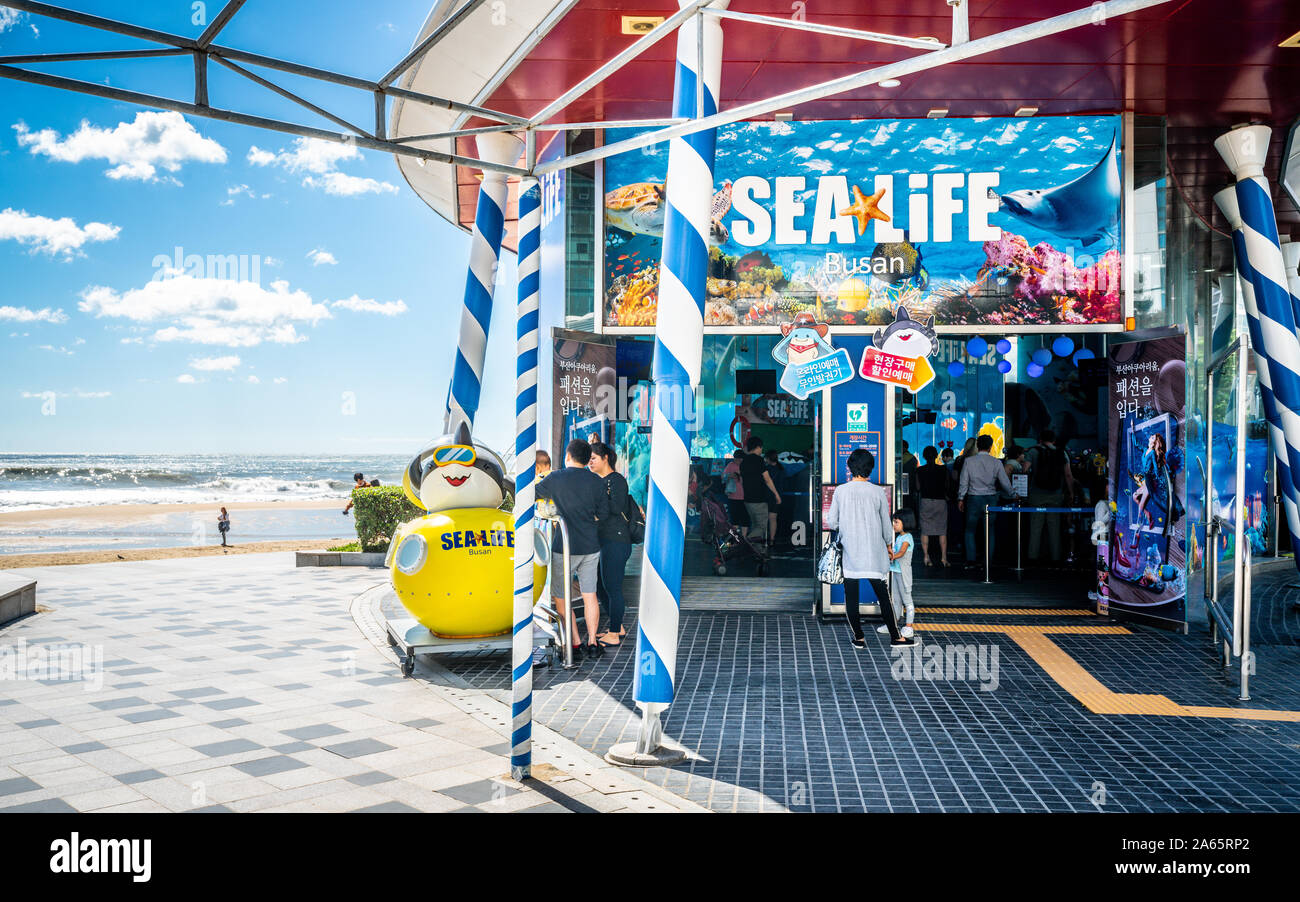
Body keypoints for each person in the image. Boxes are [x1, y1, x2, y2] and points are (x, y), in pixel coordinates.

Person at [823, 449, 912, 648]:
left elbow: (832, 522)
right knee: (884, 596)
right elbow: (886, 525)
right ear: (870, 468)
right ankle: (896, 637)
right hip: (874, 552)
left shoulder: (840, 491)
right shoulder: (877, 491)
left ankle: (859, 638)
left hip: (850, 553)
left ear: (850, 467)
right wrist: (890, 546)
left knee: (851, 597)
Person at [536, 439, 611, 657]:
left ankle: (575, 643)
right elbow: (604, 514)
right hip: (591, 545)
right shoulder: (596, 481)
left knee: (562, 597)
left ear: (568, 456)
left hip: (564, 547)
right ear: (588, 459)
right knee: (590, 595)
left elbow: (531, 494)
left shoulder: (556, 478)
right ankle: (594, 643)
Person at [589, 442, 632, 648]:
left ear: (605, 458)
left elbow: (616, 507)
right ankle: (618, 626)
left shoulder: (616, 481)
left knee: (613, 586)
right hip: (604, 540)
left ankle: (614, 633)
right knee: (601, 586)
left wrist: (598, 497)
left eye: (593, 458)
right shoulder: (600, 481)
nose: (590, 462)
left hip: (617, 540)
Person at [958, 433, 1014, 569]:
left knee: (970, 530)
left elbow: (964, 481)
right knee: (990, 531)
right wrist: (1013, 494)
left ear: (978, 446)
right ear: (990, 447)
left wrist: (960, 498)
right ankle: (987, 560)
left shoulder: (969, 461)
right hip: (991, 498)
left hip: (973, 498)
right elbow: (1004, 482)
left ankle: (971, 560)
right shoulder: (996, 462)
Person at [1026, 428, 1076, 564]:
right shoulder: (1061, 453)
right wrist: (1071, 493)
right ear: (1054, 440)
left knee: (1035, 529)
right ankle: (1055, 559)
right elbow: (1068, 475)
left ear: (1040, 439)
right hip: (1056, 495)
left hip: (1036, 495)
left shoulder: (1032, 452)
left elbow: (1025, 471)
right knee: (1054, 528)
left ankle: (1033, 559)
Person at [879, 509, 916, 639]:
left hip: (904, 575)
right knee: (895, 600)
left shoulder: (907, 538)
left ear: (905, 522)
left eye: (896, 522)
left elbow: (901, 552)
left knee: (907, 601)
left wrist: (891, 556)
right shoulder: (900, 537)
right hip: (896, 572)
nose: (893, 525)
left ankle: (909, 627)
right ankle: (892, 625)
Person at [740, 435, 780, 545]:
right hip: (759, 499)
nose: (761, 450)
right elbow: (767, 479)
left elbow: (742, 480)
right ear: (757, 447)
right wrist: (776, 494)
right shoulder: (759, 460)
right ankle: (744, 543)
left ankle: (756, 551)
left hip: (747, 499)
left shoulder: (743, 462)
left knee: (755, 525)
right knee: (761, 528)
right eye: (761, 448)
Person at [916, 445, 950, 567]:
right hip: (940, 502)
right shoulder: (943, 470)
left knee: (925, 531)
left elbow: (918, 487)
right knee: (942, 531)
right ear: (936, 456)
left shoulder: (920, 470)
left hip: (926, 501)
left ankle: (926, 557)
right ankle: (944, 558)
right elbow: (947, 486)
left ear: (924, 456)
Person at [721, 449, 749, 531]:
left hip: (745, 497)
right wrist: (729, 476)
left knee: (745, 519)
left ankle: (744, 538)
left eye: (738, 459)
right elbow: (723, 477)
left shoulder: (746, 466)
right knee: (734, 519)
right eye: (735, 459)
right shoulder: (731, 465)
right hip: (733, 497)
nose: (736, 460)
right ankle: (734, 538)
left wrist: (740, 475)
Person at [764, 449, 785, 545]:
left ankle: (763, 539)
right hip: (777, 497)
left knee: (763, 519)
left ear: (768, 459)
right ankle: (772, 539)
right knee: (773, 518)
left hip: (766, 496)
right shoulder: (781, 468)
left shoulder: (766, 469)